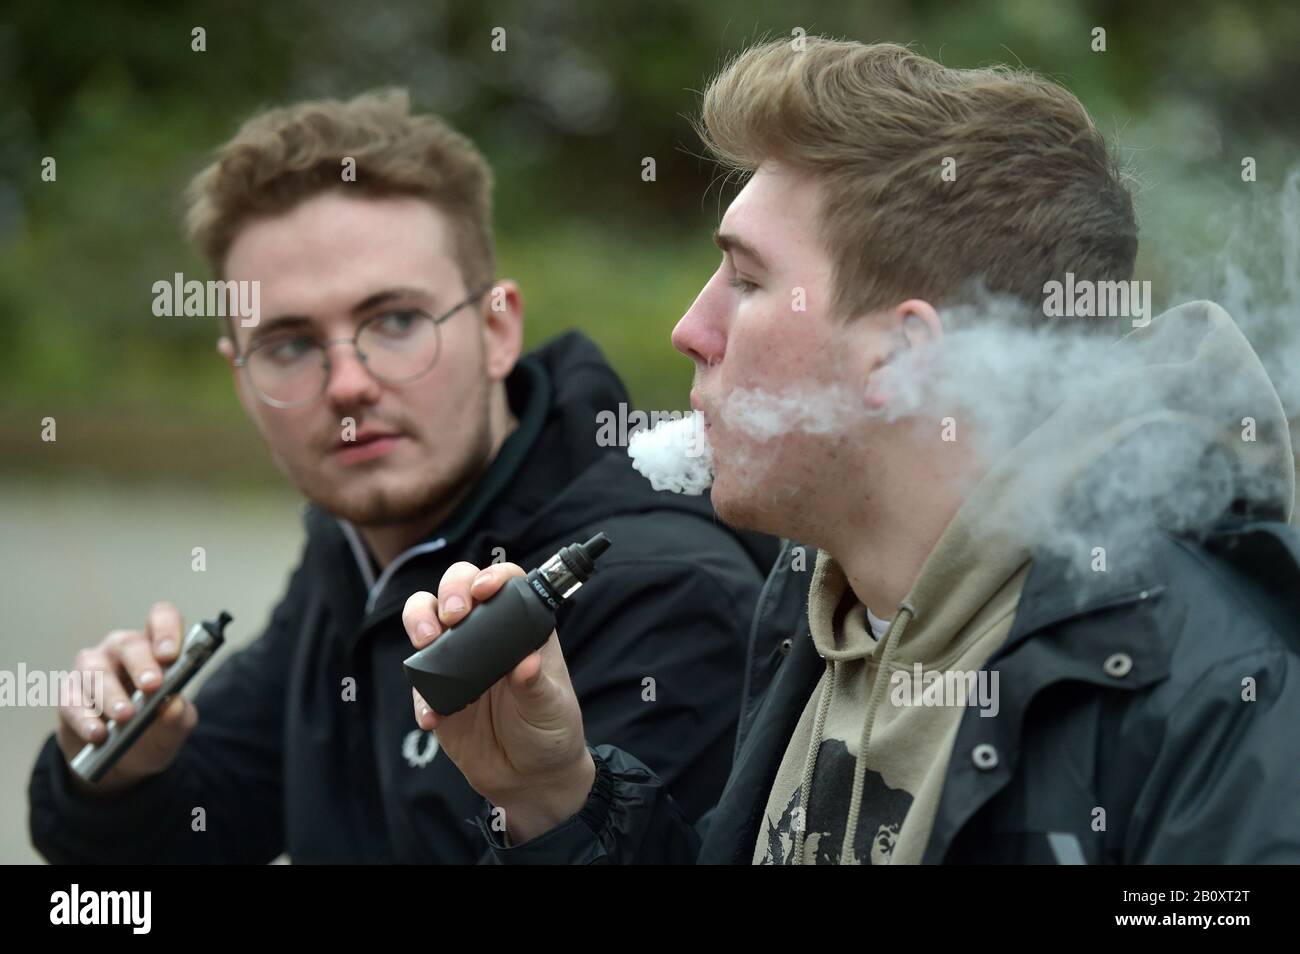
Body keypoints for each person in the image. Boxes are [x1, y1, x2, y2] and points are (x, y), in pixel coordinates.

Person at [401, 38, 1300, 864]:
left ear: (905, 355)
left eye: (748, 281)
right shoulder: (822, 605)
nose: (689, 330)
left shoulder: (1215, 694)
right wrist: (553, 798)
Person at [28, 89, 775, 863]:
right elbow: (189, 837)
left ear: (496, 329)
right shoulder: (353, 550)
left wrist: (550, 808)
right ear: (239, 376)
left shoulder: (665, 592)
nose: (347, 383)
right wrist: (117, 774)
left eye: (394, 323)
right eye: (288, 344)